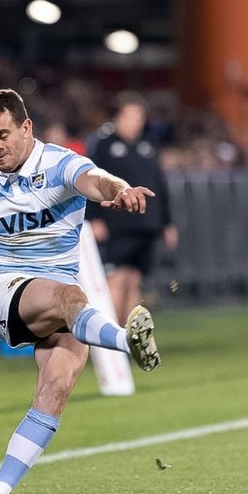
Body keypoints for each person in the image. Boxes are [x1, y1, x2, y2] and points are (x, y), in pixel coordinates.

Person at [0, 89, 162, 494]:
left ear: (26, 127)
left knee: (55, 389)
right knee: (70, 297)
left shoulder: (59, 164)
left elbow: (96, 180)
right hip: (7, 291)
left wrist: (120, 190)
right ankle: (125, 341)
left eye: (3, 135)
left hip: (57, 300)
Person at [86, 91, 178, 322]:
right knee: (117, 277)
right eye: (129, 116)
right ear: (117, 117)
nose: (135, 121)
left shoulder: (150, 144)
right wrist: (95, 217)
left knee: (135, 279)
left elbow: (160, 185)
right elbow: (91, 182)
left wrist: (167, 222)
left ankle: (128, 334)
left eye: (139, 116)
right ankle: (110, 331)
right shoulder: (103, 146)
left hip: (146, 224)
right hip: (116, 224)